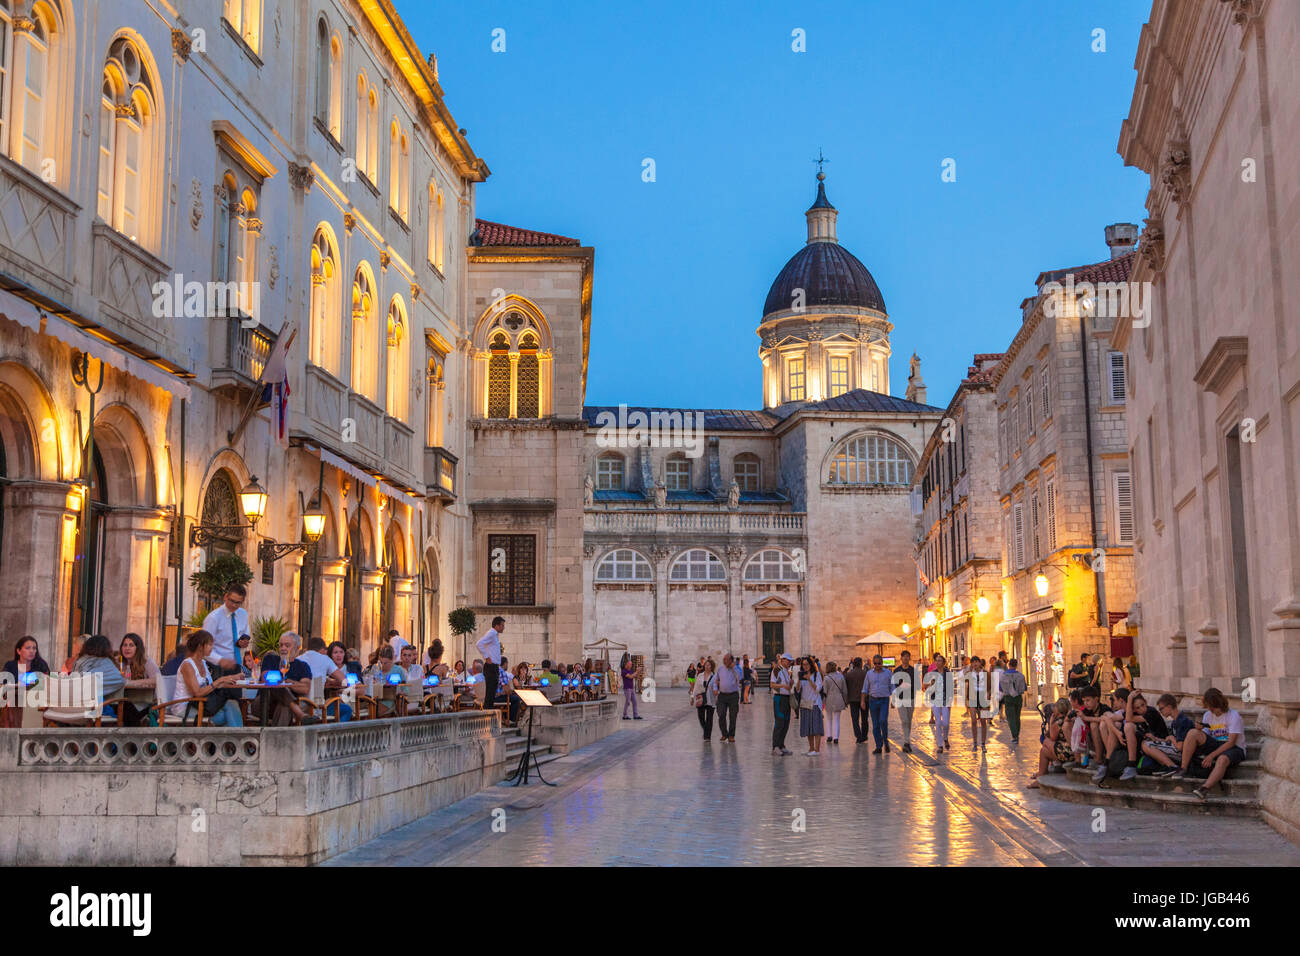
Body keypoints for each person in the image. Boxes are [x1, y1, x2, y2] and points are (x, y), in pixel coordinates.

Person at [1175, 687, 1247, 799]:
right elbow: (1205, 736)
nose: (1210, 710)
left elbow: (1231, 742)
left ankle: (1205, 788)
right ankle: (1183, 768)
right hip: (1216, 744)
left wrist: (1211, 756)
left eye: (1212, 707)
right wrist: (1199, 730)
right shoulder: (1208, 715)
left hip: (1234, 748)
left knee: (1222, 759)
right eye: (1208, 707)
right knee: (1192, 733)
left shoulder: (1233, 716)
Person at [172, 630, 243, 726]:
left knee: (231, 703)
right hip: (185, 707)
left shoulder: (203, 663)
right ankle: (236, 738)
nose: (212, 647)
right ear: (200, 647)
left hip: (202, 704)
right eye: (209, 645)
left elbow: (210, 687)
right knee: (228, 714)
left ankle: (231, 738)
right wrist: (219, 681)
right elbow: (197, 693)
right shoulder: (187, 665)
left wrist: (231, 678)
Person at [200, 584, 250, 678]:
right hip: (216, 667)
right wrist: (220, 660)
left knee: (236, 692)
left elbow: (245, 633)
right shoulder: (213, 618)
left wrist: (242, 642)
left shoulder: (243, 615)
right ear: (226, 597)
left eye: (238, 602)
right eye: (232, 601)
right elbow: (203, 647)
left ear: (243, 601)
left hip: (236, 666)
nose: (234, 605)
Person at [1144, 694, 1197, 774]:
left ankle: (1173, 767)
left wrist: (1171, 738)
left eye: (1161, 709)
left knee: (1147, 745)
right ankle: (1168, 766)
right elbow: (1173, 741)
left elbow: (1180, 746)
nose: (1161, 712)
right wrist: (1156, 739)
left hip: (1186, 754)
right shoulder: (1175, 722)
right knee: (1147, 743)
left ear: (1169, 707)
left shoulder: (1182, 721)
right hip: (1178, 751)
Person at [1028, 698, 1073, 788]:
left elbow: (1052, 738)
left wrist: (1051, 722)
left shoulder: (1058, 722)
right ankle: (1041, 774)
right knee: (1044, 751)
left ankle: (1042, 775)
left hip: (1067, 752)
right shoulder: (1069, 719)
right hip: (1071, 751)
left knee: (1045, 741)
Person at [117, 633, 159, 726]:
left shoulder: (146, 662)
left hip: (145, 703)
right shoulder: (119, 663)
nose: (127, 648)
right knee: (119, 707)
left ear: (138, 648)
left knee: (127, 709)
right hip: (126, 702)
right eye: (125, 645)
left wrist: (131, 683)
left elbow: (156, 680)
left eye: (131, 645)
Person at [861, 654, 892, 754]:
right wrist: (862, 701)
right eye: (875, 663)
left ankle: (885, 740)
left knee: (883, 721)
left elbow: (892, 687)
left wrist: (894, 700)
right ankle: (879, 746)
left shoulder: (888, 673)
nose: (877, 665)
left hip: (884, 700)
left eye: (879, 663)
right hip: (873, 700)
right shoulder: (869, 674)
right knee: (875, 725)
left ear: (882, 663)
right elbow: (865, 688)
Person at [925, 654, 954, 752]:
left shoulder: (948, 673)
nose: (937, 663)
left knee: (945, 723)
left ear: (943, 663)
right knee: (938, 723)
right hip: (935, 700)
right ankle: (940, 745)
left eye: (939, 661)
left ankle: (945, 738)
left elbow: (950, 688)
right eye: (936, 661)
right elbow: (927, 687)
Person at [891, 651, 918, 753]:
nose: (906, 658)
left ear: (909, 658)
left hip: (910, 698)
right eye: (904, 657)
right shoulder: (897, 671)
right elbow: (894, 686)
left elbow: (916, 685)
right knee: (904, 720)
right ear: (901, 658)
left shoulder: (913, 670)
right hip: (900, 699)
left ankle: (907, 740)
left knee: (909, 720)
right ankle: (906, 742)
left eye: (907, 657)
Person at [475, 617, 505, 707]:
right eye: (502, 625)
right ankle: (487, 715)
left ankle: (488, 714)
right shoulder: (491, 633)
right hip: (491, 666)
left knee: (491, 694)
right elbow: (479, 644)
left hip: (493, 667)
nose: (504, 627)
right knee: (490, 694)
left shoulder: (494, 634)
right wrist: (486, 657)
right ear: (496, 626)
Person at [714, 653, 743, 743]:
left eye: (726, 659)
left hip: (733, 695)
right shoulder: (720, 669)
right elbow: (715, 680)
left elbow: (740, 677)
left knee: (733, 716)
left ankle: (731, 735)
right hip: (722, 695)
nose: (724, 661)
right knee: (721, 714)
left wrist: (733, 668)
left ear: (731, 660)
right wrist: (715, 689)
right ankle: (724, 733)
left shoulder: (736, 669)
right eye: (723, 659)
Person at [797, 658, 824, 755]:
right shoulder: (802, 675)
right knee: (808, 727)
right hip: (805, 703)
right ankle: (811, 748)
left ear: (811, 665)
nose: (805, 666)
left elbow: (817, 689)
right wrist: (799, 680)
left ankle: (817, 750)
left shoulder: (817, 675)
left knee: (816, 727)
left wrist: (809, 679)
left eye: (807, 664)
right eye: (803, 664)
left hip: (815, 703)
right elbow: (798, 690)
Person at [770, 652, 794, 755]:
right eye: (788, 661)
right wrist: (784, 686)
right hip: (779, 698)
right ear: (783, 660)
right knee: (779, 722)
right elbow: (772, 684)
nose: (790, 663)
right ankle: (775, 746)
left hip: (786, 698)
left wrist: (790, 684)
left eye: (790, 661)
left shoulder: (786, 671)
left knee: (786, 723)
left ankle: (781, 745)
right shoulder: (776, 670)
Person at [999, 658, 1028, 743]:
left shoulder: (1004, 675)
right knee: (1017, 716)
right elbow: (1024, 688)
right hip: (1018, 697)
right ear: (1016, 665)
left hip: (1008, 697)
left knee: (1010, 717)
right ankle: (1016, 734)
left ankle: (1015, 735)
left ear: (1009, 665)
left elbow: (1000, 688)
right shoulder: (1021, 676)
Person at [822, 661, 847, 744]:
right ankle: (836, 737)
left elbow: (825, 691)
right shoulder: (841, 676)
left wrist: (823, 702)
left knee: (828, 719)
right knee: (837, 719)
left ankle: (829, 736)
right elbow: (844, 690)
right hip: (839, 698)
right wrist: (845, 701)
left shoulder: (826, 678)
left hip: (829, 699)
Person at [693, 658, 716, 741]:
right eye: (706, 665)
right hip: (701, 698)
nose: (707, 666)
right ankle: (706, 731)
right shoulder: (700, 675)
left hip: (711, 699)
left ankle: (707, 737)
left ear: (712, 666)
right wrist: (692, 697)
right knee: (701, 717)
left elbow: (717, 688)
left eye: (709, 665)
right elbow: (696, 687)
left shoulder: (714, 676)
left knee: (709, 719)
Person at [619, 652, 641, 720]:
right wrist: (637, 672)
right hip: (627, 688)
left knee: (634, 702)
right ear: (627, 665)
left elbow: (634, 676)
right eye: (630, 664)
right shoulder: (624, 671)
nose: (631, 665)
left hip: (631, 688)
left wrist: (637, 673)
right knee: (628, 702)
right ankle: (624, 715)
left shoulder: (630, 670)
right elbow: (631, 677)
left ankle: (635, 715)